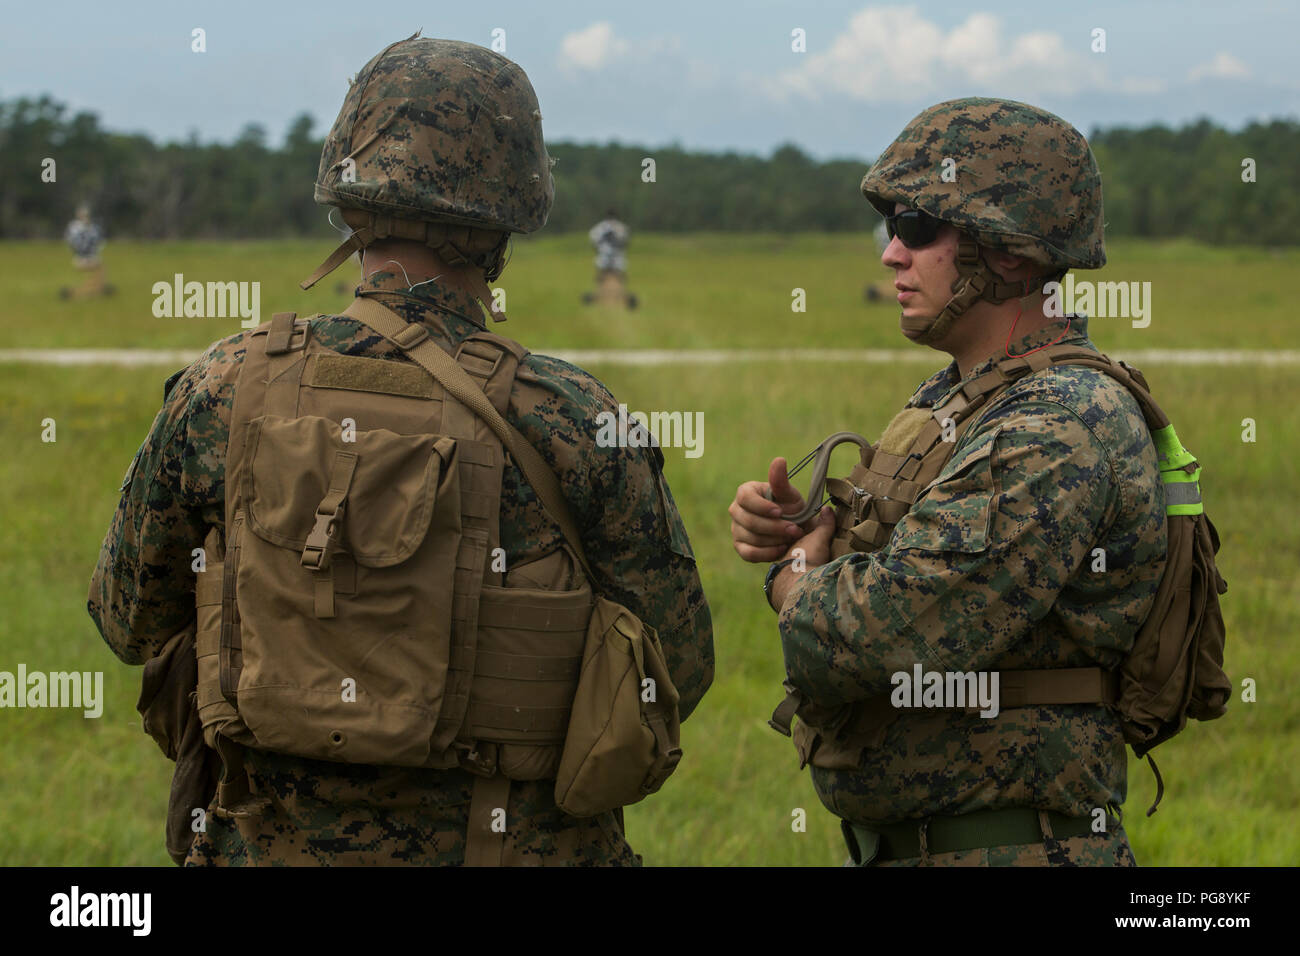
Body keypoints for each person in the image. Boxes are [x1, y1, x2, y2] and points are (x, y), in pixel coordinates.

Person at [88, 34, 712, 867]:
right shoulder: (571, 417)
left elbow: (129, 619)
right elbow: (678, 665)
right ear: (509, 212)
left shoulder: (223, 391)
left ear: (349, 202)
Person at [728, 97, 1168, 866]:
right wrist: (804, 534)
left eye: (917, 229)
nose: (891, 255)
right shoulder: (964, 395)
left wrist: (794, 580)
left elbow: (875, 636)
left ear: (1010, 254)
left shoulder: (1057, 427)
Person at [584, 209, 635, 307]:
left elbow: (593, 240)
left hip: (603, 256)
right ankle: (625, 299)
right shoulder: (621, 227)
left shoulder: (600, 227)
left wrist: (599, 250)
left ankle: (596, 297)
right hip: (617, 257)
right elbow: (626, 241)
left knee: (600, 279)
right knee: (620, 279)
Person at [60, 203, 112, 299]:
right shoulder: (94, 228)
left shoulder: (72, 226)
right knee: (101, 271)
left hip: (77, 259)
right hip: (90, 259)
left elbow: (69, 243)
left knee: (97, 277)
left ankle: (93, 290)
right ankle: (75, 293)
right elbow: (100, 244)